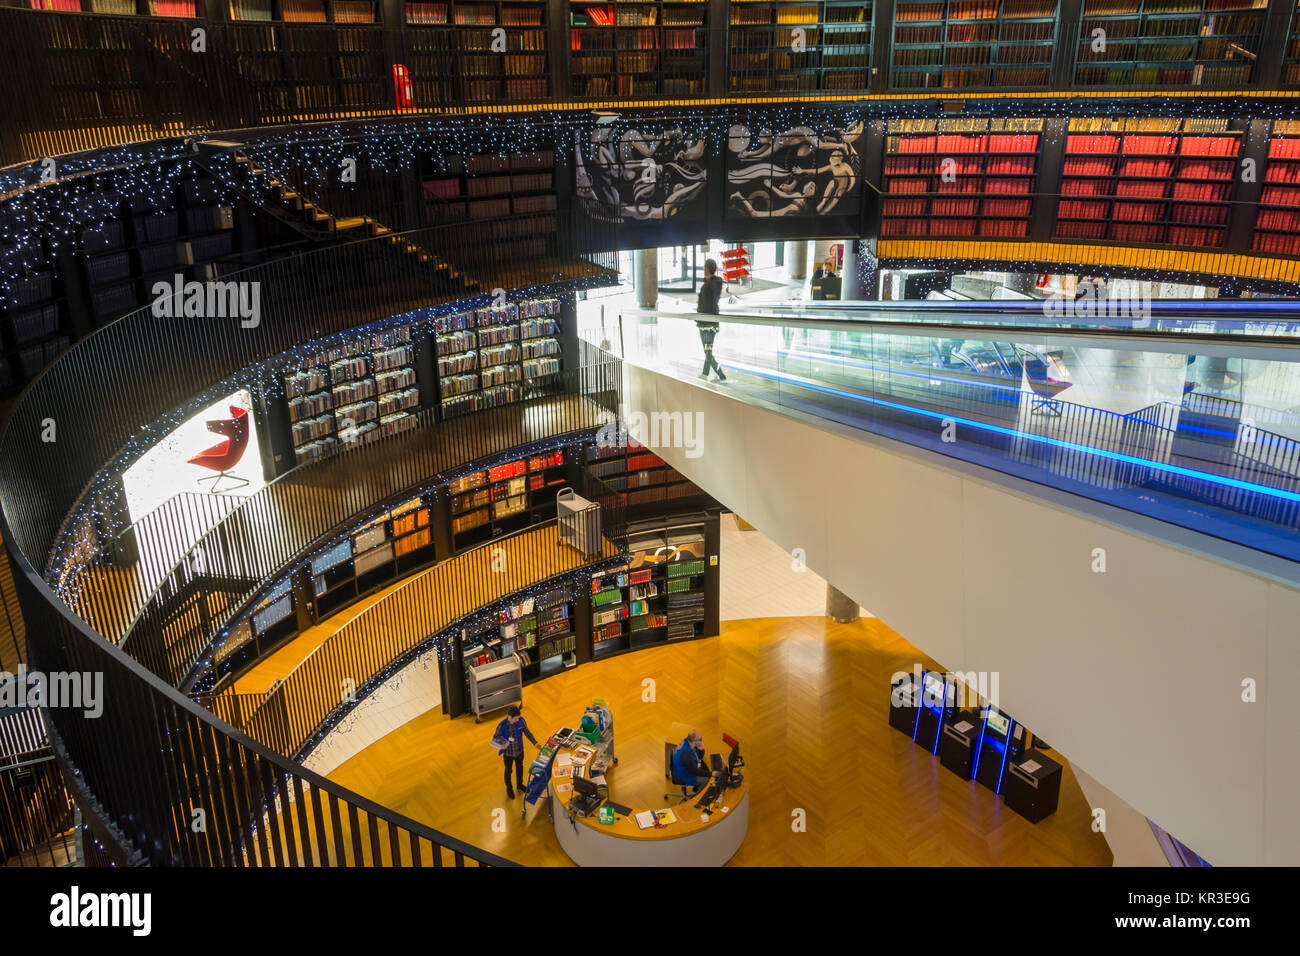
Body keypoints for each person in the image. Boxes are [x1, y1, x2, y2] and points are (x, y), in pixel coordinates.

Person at [493, 705, 538, 799]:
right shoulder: (501, 726)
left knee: (520, 768)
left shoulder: (521, 720)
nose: (518, 720)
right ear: (509, 717)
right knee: (508, 771)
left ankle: (519, 785)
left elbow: (527, 733)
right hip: (508, 754)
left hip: (519, 752)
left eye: (518, 718)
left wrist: (535, 743)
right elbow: (495, 739)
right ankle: (509, 789)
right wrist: (502, 745)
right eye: (516, 719)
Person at [695, 258, 727, 382]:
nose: (704, 270)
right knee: (708, 350)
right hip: (710, 322)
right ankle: (706, 373)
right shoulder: (714, 283)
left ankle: (720, 375)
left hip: (705, 323)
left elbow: (708, 302)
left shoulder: (710, 285)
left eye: (704, 268)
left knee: (707, 351)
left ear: (707, 269)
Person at [671, 729, 718, 794]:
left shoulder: (689, 742)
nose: (701, 741)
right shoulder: (686, 754)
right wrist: (711, 774)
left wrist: (701, 749)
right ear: (694, 741)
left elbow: (699, 757)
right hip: (683, 775)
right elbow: (695, 771)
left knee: (705, 769)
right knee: (707, 780)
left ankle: (697, 787)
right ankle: (697, 796)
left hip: (684, 767)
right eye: (700, 739)